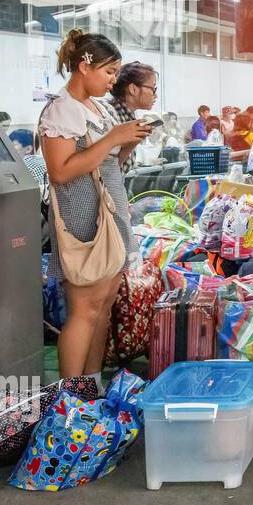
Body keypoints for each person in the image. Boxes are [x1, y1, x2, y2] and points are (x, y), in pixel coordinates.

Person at [39, 29, 150, 384]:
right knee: (84, 311)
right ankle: (69, 397)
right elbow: (60, 171)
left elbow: (107, 165)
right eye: (109, 71)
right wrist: (114, 138)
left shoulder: (98, 108)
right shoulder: (61, 110)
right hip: (83, 221)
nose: (113, 80)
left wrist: (127, 143)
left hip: (110, 218)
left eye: (116, 72)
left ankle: (91, 385)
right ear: (84, 66)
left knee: (102, 309)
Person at [109, 62, 159, 170]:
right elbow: (109, 169)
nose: (155, 95)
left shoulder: (128, 115)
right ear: (133, 89)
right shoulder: (110, 116)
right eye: (153, 89)